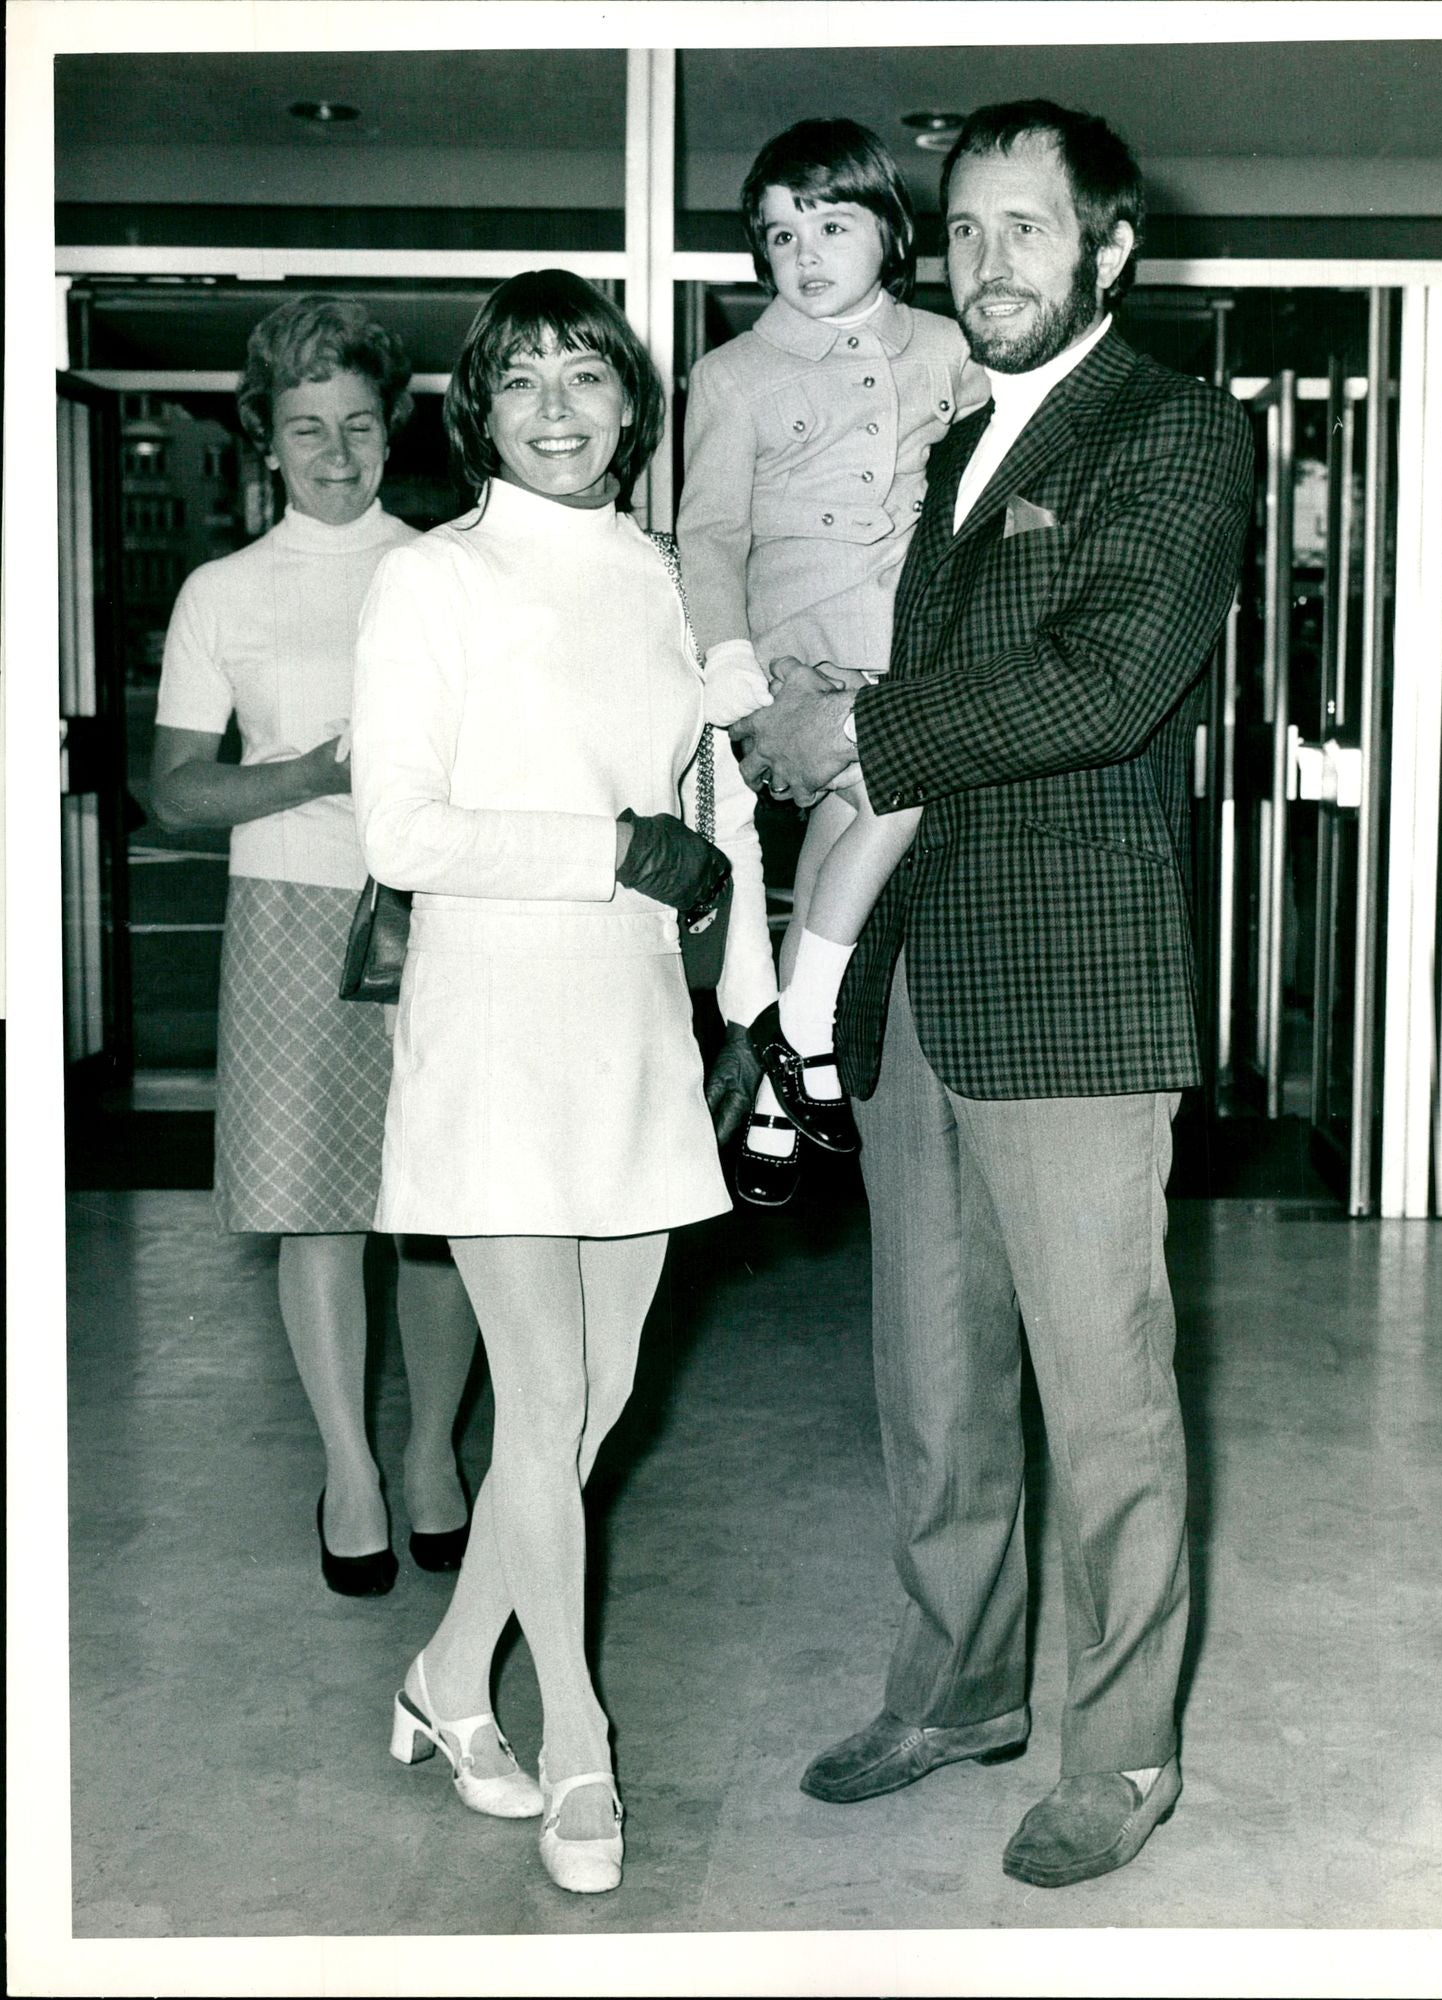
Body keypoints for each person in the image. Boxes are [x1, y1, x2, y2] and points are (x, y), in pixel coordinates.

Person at [734, 101, 1253, 1888]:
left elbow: (1101, 679)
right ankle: (952, 1688)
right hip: (920, 988)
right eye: (962, 235)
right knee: (932, 1390)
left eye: (1026, 230)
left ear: (1110, 247)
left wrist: (850, 732)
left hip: (1077, 992)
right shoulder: (962, 442)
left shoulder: (1174, 428)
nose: (987, 266)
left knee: (1103, 1399)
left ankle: (1122, 1758)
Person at [351, 270, 774, 1895]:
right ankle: (579, 1740)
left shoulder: (667, 582)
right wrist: (609, 852)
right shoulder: (431, 584)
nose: (553, 406)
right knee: (540, 1408)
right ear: (478, 409)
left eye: (584, 376)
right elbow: (404, 832)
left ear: (629, 405)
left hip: (632, 1044)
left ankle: (449, 1678)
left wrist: (751, 1012)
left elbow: (716, 806)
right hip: (494, 1032)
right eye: (519, 379)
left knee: (589, 1409)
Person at [151, 296, 481, 1597]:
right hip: (291, 916)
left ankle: (435, 1451)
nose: (335, 454)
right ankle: (350, 1464)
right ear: (264, 437)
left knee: (442, 1212)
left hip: (445, 913)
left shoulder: (446, 566)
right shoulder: (220, 591)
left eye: (356, 424)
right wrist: (310, 774)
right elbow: (176, 789)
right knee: (317, 1209)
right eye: (306, 428)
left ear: (390, 427)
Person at [678, 118, 988, 1205]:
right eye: (777, 235)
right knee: (895, 788)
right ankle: (804, 1023)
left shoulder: (951, 347)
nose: (802, 253)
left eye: (830, 224)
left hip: (909, 627)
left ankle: (774, 1079)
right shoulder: (733, 373)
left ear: (890, 234)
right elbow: (710, 532)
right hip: (803, 638)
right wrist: (727, 657)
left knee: (842, 825)